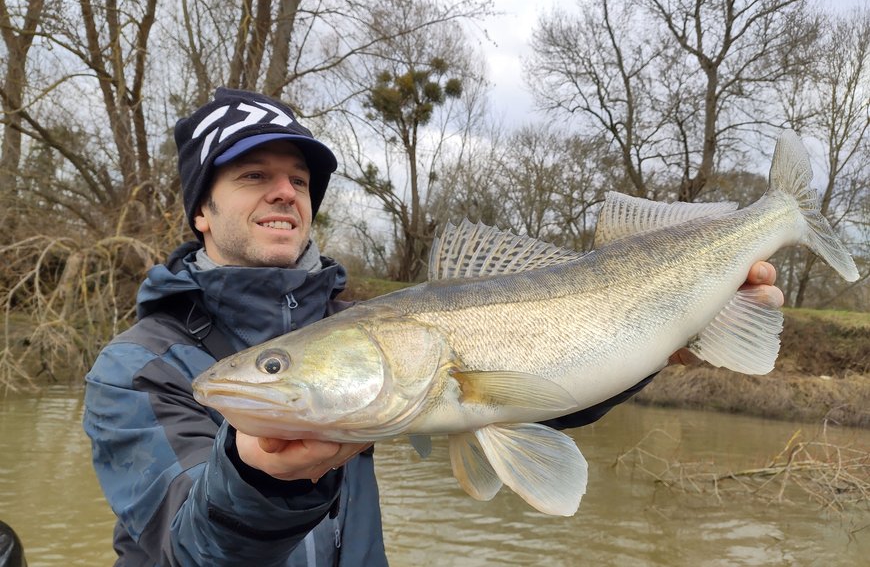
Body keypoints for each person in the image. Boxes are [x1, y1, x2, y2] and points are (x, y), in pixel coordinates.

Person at [83, 87, 782, 566]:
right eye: (252, 175)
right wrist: (259, 481)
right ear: (200, 211)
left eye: (299, 179)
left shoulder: (351, 324)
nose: (284, 192)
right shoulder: (136, 368)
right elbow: (181, 549)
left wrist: (663, 334)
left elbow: (544, 385)